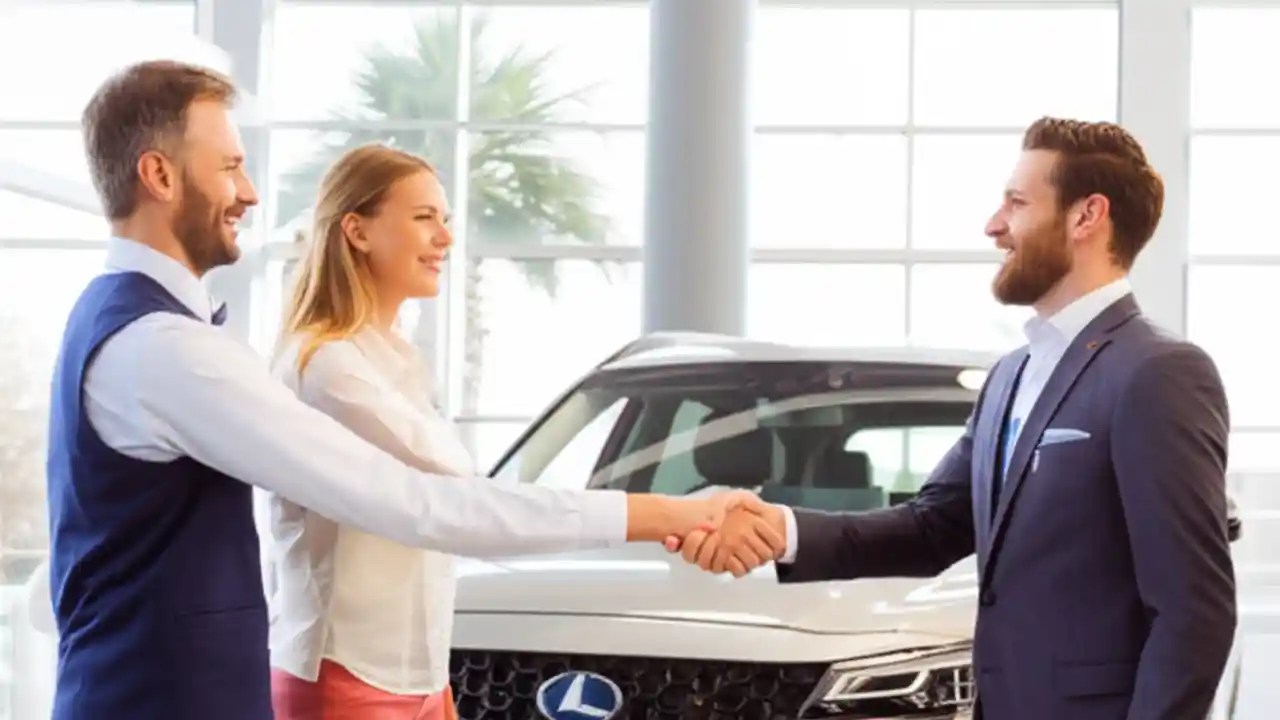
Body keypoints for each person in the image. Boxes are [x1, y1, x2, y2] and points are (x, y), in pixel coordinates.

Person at [44, 59, 783, 720]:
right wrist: (668, 514)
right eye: (230, 166)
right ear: (160, 177)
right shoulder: (169, 351)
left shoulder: (134, 327)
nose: (249, 191)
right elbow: (415, 504)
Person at [674, 117, 1237, 719]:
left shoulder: (1157, 373)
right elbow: (931, 527)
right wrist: (779, 529)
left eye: (1016, 203)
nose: (994, 225)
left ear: (1086, 216)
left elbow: (1193, 608)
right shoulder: (1010, 377)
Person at [261, 143, 469, 719]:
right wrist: (653, 518)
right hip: (345, 677)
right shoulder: (326, 366)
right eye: (425, 218)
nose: (444, 239)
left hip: (418, 678)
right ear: (356, 230)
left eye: (444, 220)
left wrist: (436, 688)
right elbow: (457, 489)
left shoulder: (397, 359)